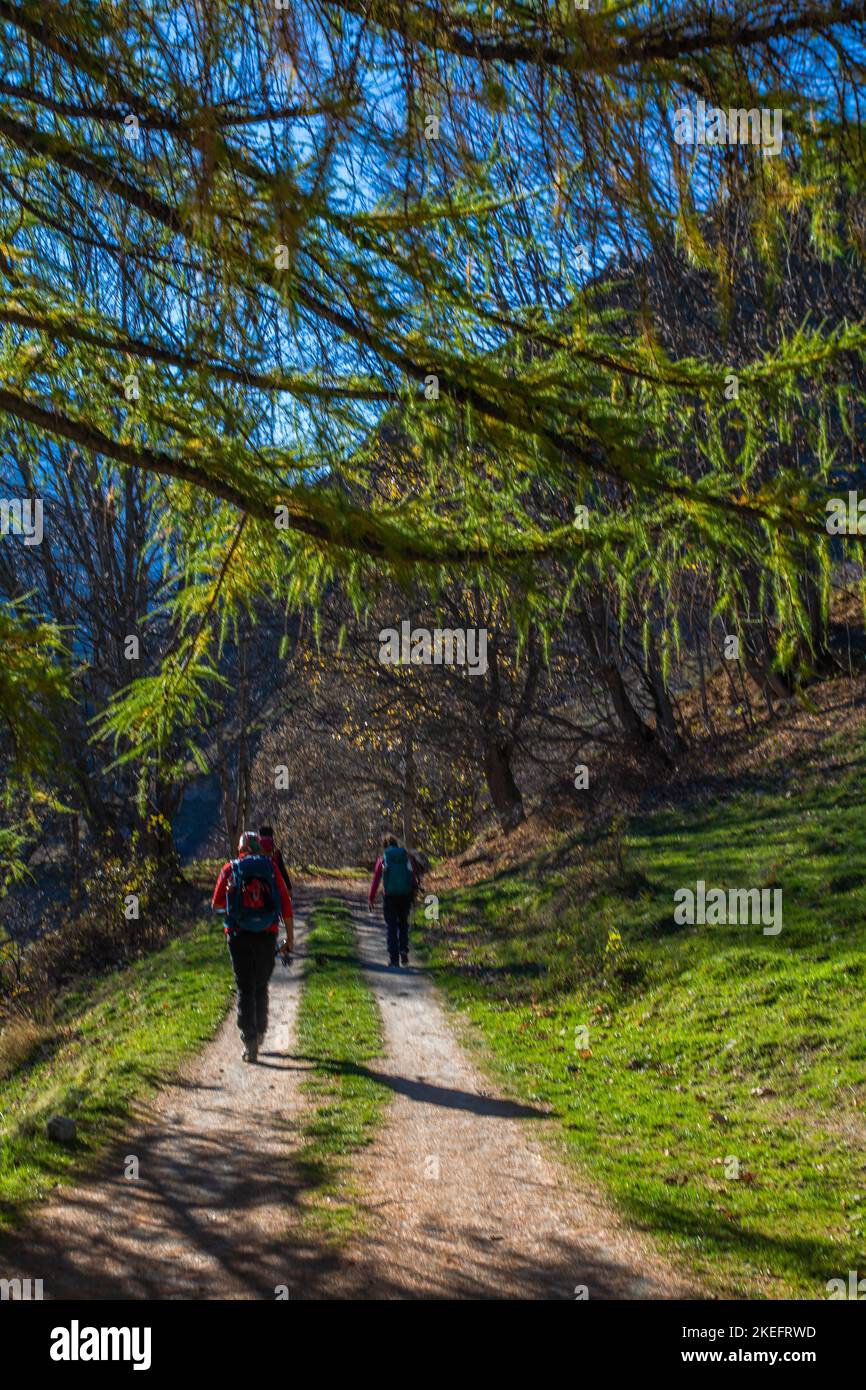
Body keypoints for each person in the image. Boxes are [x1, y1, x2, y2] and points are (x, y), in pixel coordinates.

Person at [212, 831, 293, 1063]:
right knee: (261, 985)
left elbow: (216, 904)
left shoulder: (231, 868)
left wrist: (230, 903)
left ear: (240, 848)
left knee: (244, 987)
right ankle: (260, 1033)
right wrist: (290, 938)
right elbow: (285, 903)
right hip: (267, 934)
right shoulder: (270, 868)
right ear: (259, 849)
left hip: (238, 935)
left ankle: (249, 1043)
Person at [368, 834, 415, 968]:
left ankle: (394, 958)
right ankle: (404, 950)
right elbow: (412, 875)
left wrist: (371, 898)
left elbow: (376, 880)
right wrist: (412, 892)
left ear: (385, 846)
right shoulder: (406, 856)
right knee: (403, 924)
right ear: (396, 844)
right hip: (405, 895)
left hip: (389, 896)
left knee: (392, 926)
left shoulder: (383, 859)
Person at [258, 823, 292, 895]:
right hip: (273, 887)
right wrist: (289, 888)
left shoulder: (255, 851)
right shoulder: (276, 853)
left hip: (258, 887)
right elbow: (282, 870)